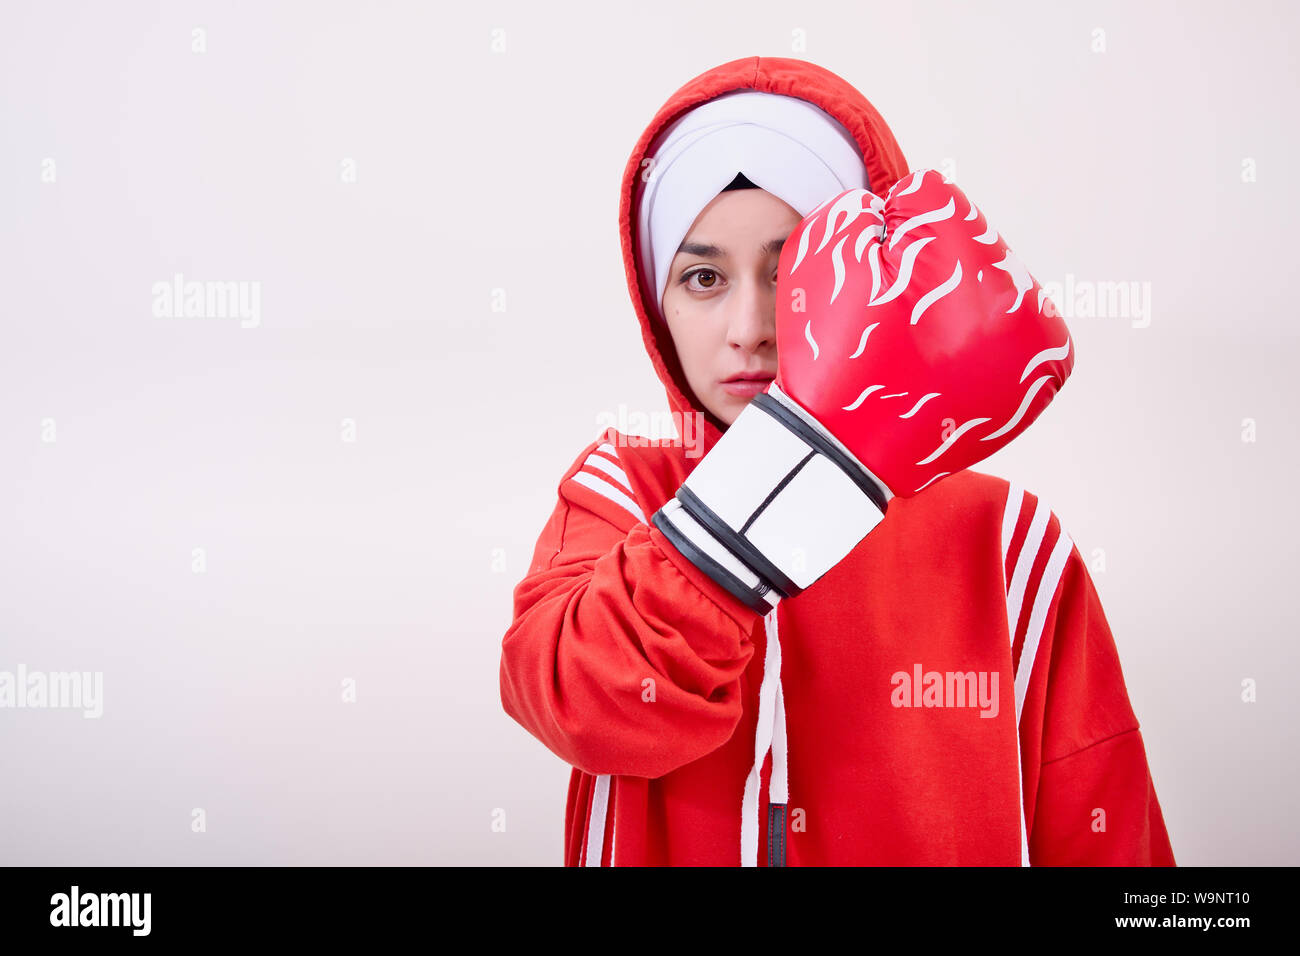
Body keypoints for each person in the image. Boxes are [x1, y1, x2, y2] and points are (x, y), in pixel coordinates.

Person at [499, 55, 1175, 866]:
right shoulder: (617, 494)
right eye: (704, 276)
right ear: (656, 299)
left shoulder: (1006, 543)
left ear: (872, 281)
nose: (749, 326)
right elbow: (585, 702)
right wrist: (799, 461)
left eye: (791, 272)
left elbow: (1107, 831)